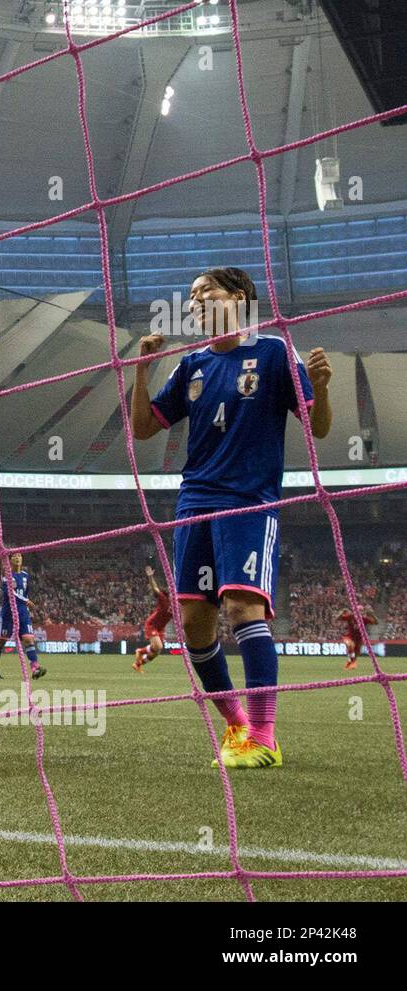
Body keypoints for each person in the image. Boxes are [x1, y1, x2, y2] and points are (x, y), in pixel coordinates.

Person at [131, 267, 332, 768]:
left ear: (239, 296)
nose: (196, 300)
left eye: (206, 291)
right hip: (194, 502)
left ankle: (265, 735)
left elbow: (319, 428)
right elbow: (142, 430)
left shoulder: (273, 353)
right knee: (196, 627)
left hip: (249, 500)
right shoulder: (191, 364)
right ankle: (237, 726)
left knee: (243, 610)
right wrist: (142, 371)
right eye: (193, 295)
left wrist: (323, 388)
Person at [0, 552, 43, 680]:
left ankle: (35, 668)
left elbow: (26, 593)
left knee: (29, 639)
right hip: (8, 613)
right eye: (14, 556)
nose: (17, 558)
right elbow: (10, 594)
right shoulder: (7, 575)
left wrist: (25, 604)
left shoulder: (25, 576)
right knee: (1, 641)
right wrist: (26, 601)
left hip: (23, 612)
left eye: (19, 556)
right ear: (10, 560)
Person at [133, 565, 173, 673]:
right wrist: (150, 577)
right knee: (158, 646)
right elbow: (155, 589)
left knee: (157, 652)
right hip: (152, 624)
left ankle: (138, 663)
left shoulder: (177, 606)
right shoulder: (164, 599)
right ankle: (140, 651)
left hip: (160, 628)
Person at [339, 606, 378, 671]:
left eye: (361, 611)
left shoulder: (364, 619)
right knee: (350, 645)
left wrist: (372, 615)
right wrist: (342, 612)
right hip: (349, 636)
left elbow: (376, 622)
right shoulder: (350, 616)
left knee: (356, 653)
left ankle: (349, 662)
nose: (359, 612)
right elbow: (338, 618)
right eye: (358, 611)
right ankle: (353, 663)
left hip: (359, 639)